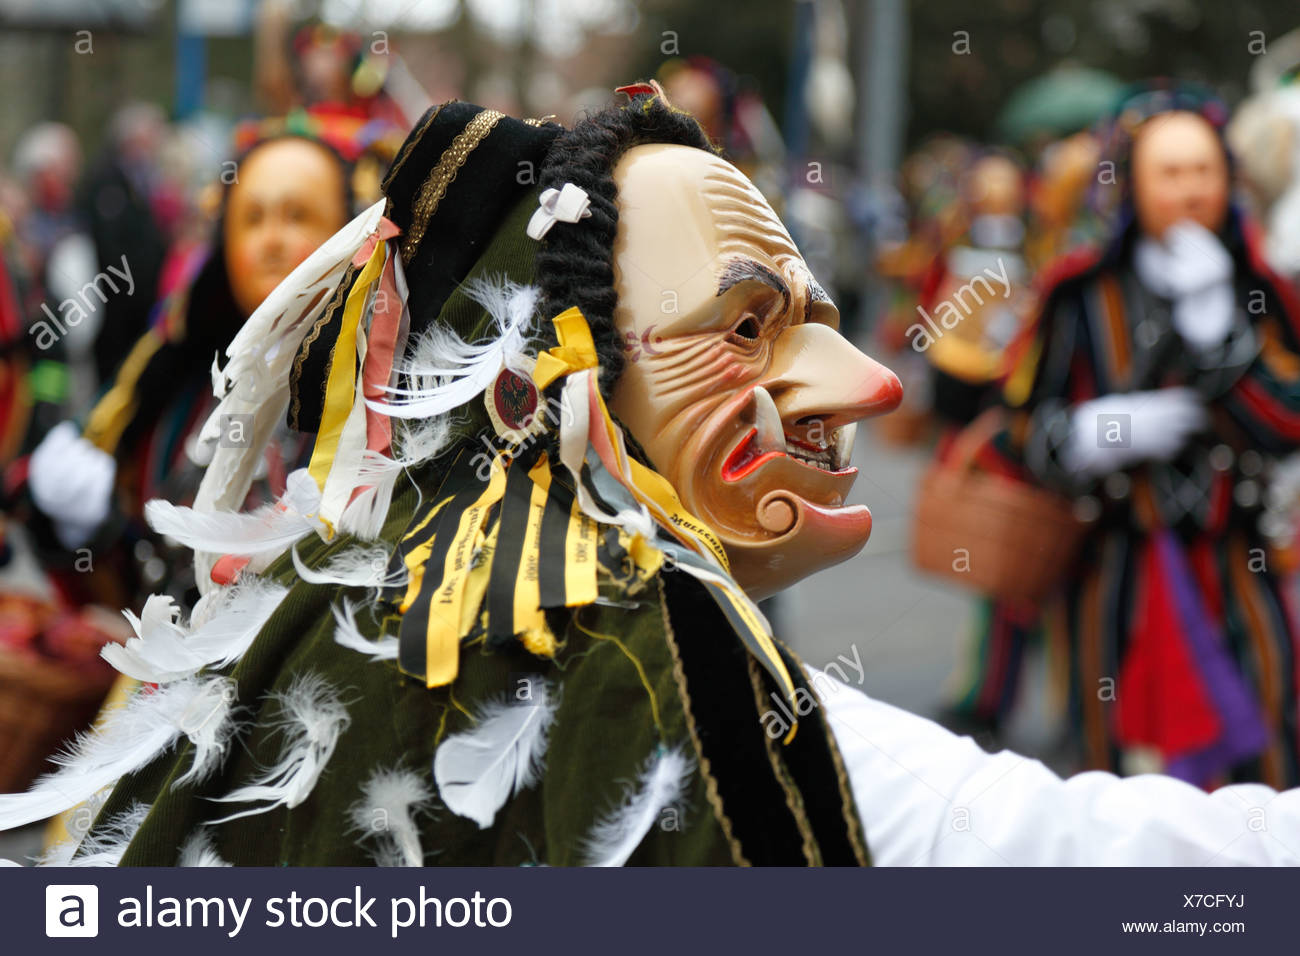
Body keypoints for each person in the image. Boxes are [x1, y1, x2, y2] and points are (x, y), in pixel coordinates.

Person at [4, 88, 1300, 867]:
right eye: (747, 328)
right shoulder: (670, 674)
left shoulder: (392, 594)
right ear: (550, 387)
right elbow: (1072, 860)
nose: (866, 382)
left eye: (816, 319)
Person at [993, 86, 1300, 789]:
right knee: (1122, 778)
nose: (1190, 190)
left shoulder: (1266, 290)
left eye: (1204, 171)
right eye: (1169, 172)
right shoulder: (1078, 292)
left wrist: (1222, 335)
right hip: (1112, 571)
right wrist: (1087, 434)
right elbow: (1018, 434)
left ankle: (1251, 904)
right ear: (1131, 182)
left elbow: (1289, 422)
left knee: (1261, 765)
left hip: (1241, 563)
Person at [22, 134, 351, 611]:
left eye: (298, 216)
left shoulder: (374, 397)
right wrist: (79, 525)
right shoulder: (185, 391)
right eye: (252, 220)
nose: (272, 241)